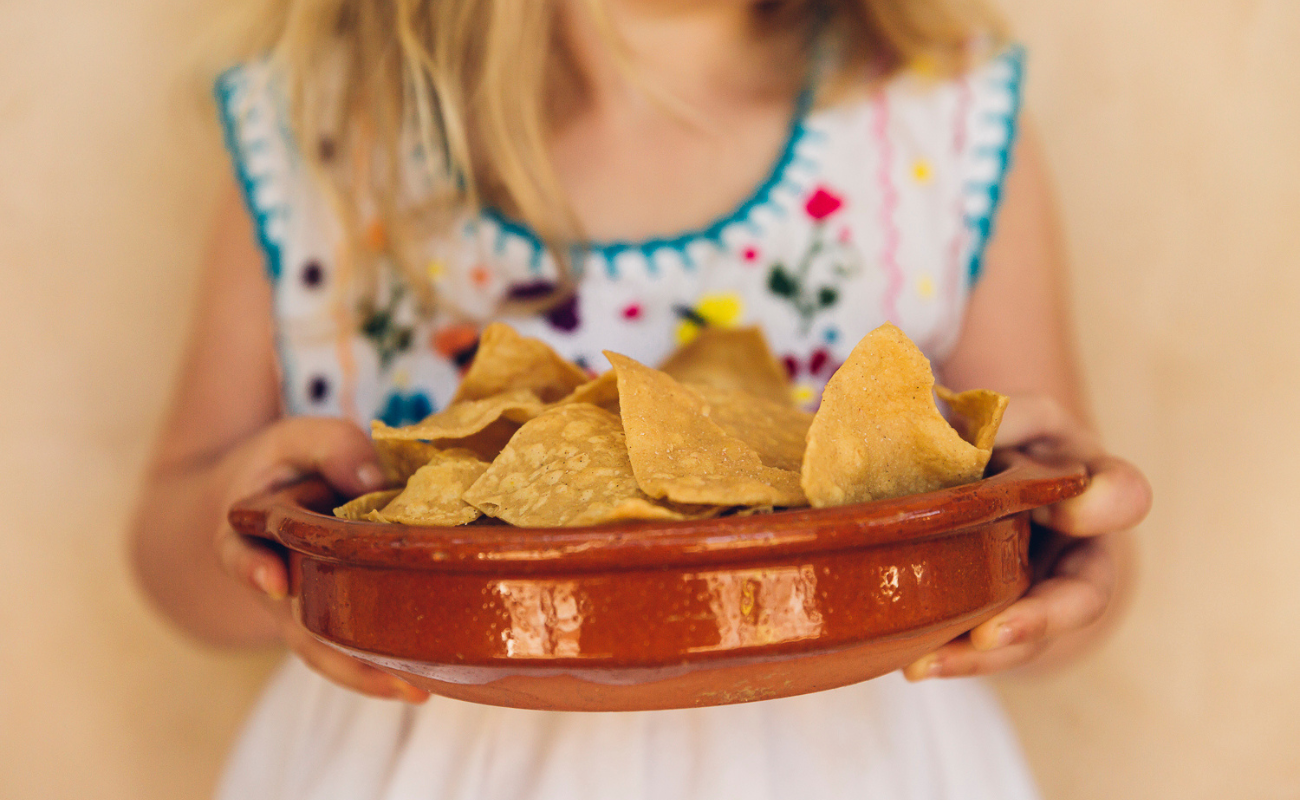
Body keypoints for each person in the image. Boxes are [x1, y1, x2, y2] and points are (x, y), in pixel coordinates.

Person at [131, 0, 1152, 797]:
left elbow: (1058, 536)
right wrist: (259, 536)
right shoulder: (321, 137)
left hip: (858, 762)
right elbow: (170, 549)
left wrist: (1057, 555)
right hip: (407, 764)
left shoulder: (943, 129)